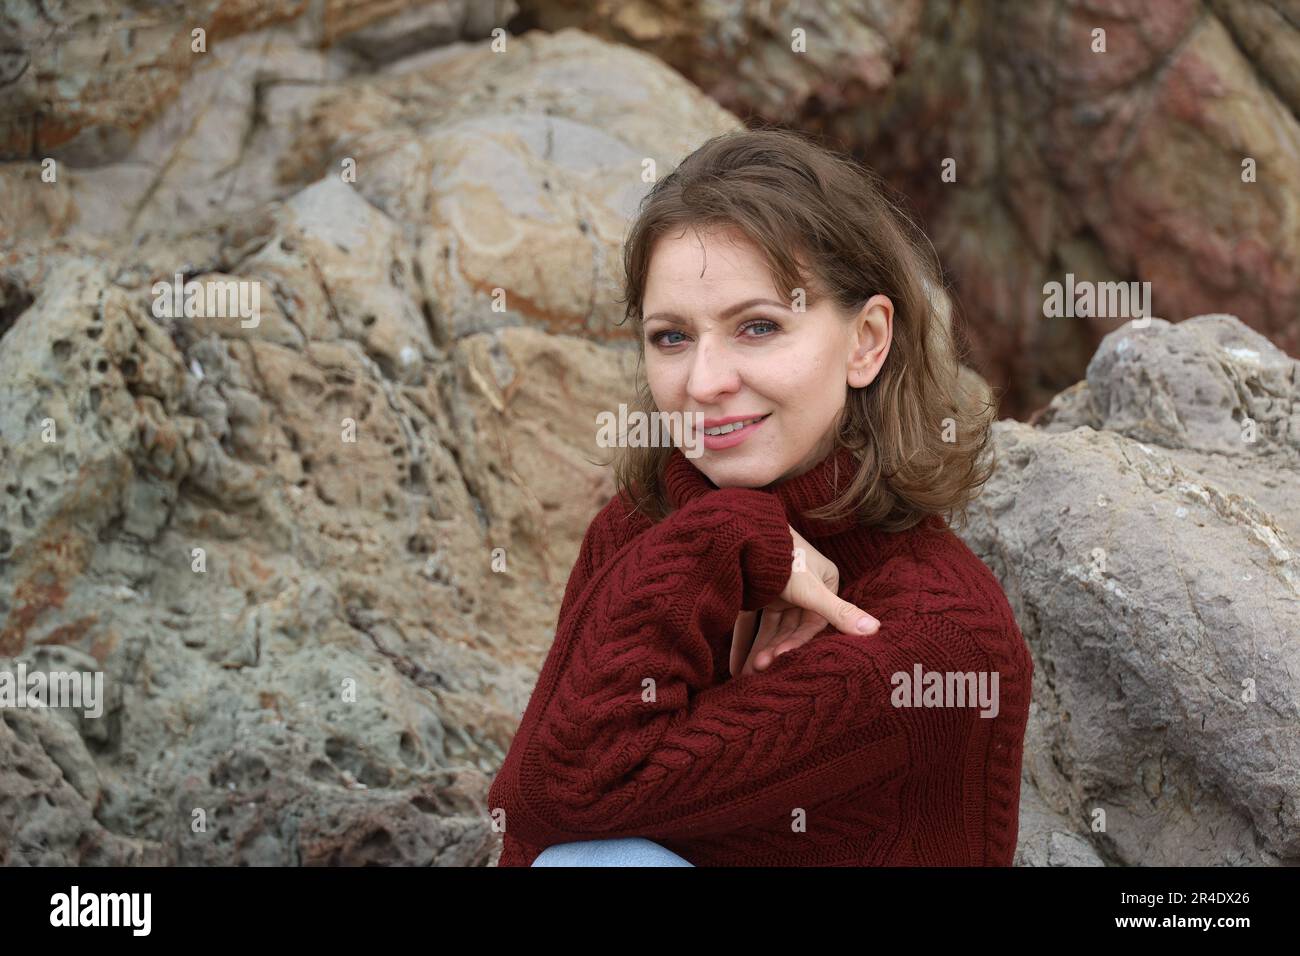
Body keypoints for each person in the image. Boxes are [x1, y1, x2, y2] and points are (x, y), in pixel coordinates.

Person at [487, 126, 1033, 867]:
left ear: (867, 341)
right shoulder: (645, 534)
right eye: (672, 338)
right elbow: (518, 820)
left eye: (758, 327)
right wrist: (727, 539)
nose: (705, 382)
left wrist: (720, 541)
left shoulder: (932, 637)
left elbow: (558, 799)